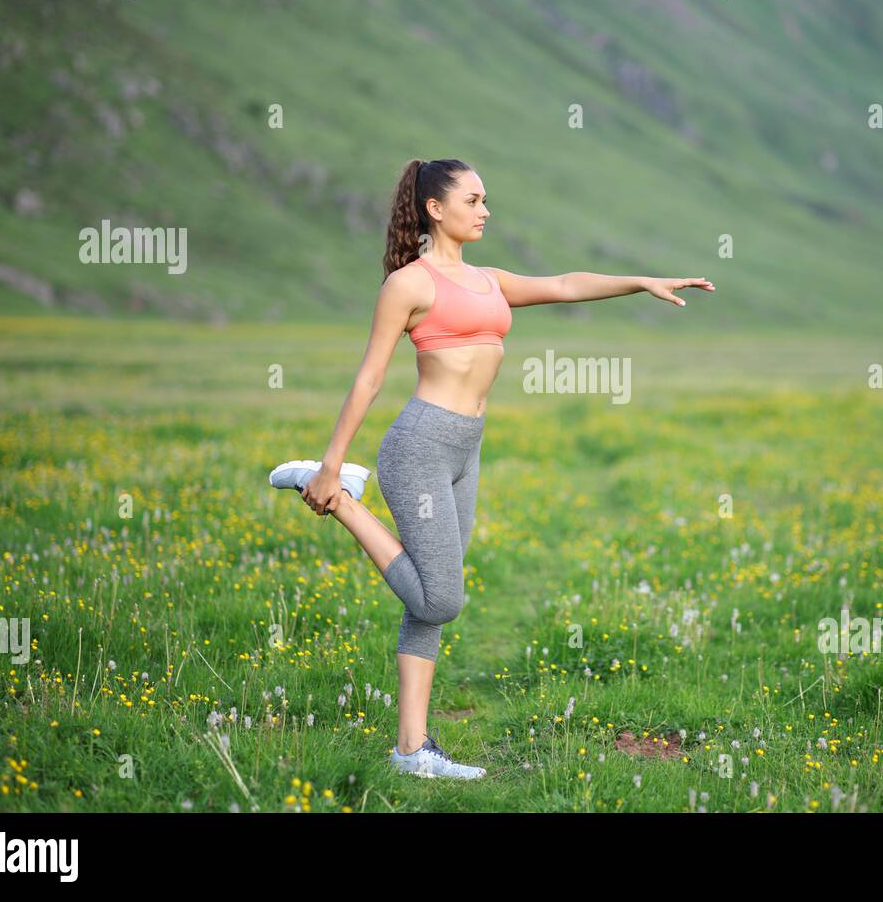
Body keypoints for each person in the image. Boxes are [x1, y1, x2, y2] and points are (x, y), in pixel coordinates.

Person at [270, 157, 714, 778]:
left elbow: (563, 285)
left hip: (465, 448)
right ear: (435, 208)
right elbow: (370, 376)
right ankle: (340, 497)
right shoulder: (410, 284)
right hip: (420, 446)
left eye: (485, 201)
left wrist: (641, 280)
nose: (484, 210)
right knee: (442, 599)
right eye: (474, 200)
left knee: (427, 599)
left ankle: (410, 750)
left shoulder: (487, 280)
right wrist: (333, 462)